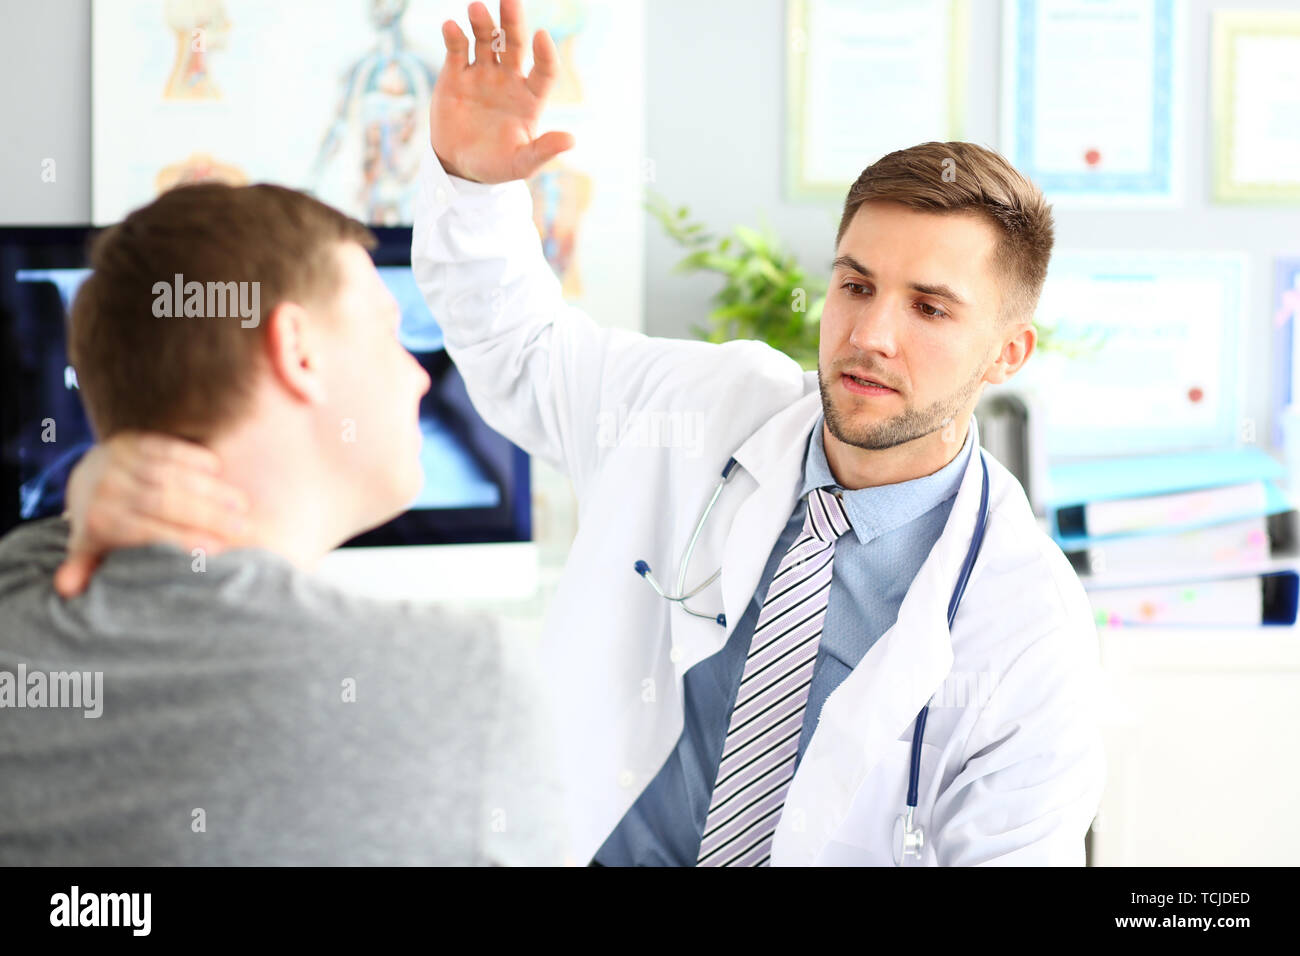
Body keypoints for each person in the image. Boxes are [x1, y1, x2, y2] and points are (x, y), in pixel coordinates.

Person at [52, 0, 1105, 866]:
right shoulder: (709, 405)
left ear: (1005, 353)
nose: (869, 334)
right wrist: (473, 182)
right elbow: (513, 348)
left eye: (929, 308)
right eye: (855, 284)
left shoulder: (1028, 624)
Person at [0, 177, 563, 865]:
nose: (419, 376)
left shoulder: (17, 601)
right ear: (297, 350)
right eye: (390, 334)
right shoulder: (469, 681)